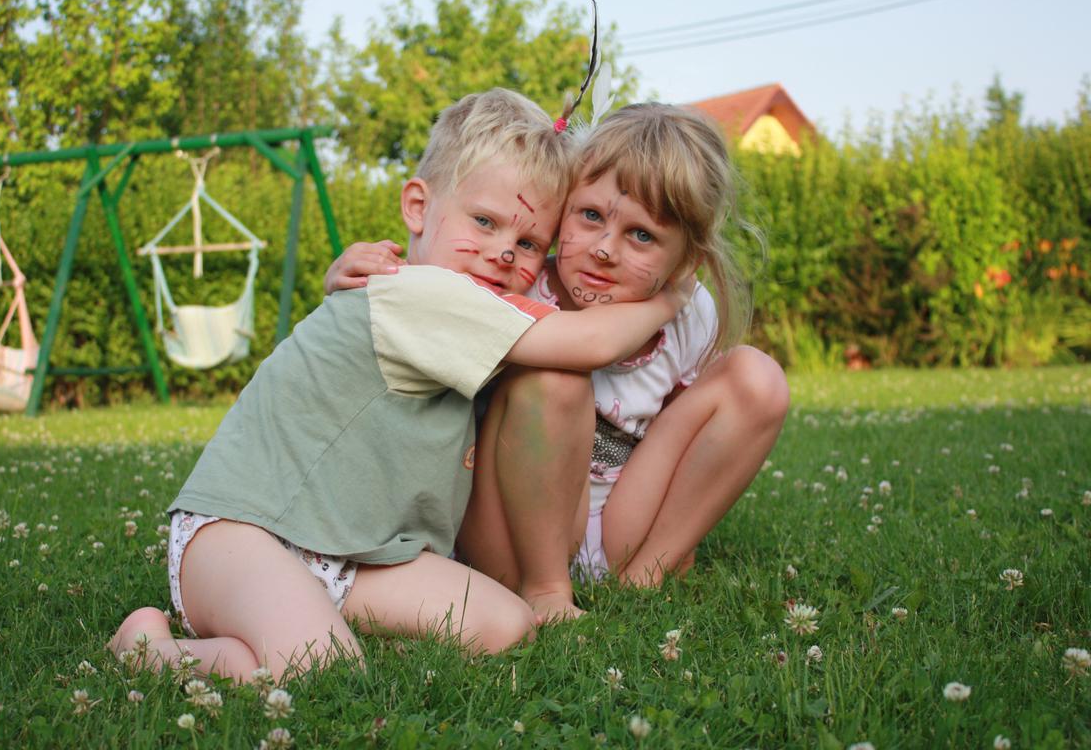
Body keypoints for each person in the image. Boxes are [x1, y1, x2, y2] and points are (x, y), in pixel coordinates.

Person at [108, 89, 690, 682]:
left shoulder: (459, 304)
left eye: (527, 245)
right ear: (418, 205)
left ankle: (290, 637)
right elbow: (588, 344)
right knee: (321, 670)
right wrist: (670, 295)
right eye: (484, 222)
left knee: (504, 624)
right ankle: (152, 653)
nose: (500, 255)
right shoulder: (425, 295)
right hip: (245, 535)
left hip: (355, 557)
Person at [326, 103, 790, 621]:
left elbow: (687, 430)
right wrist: (348, 278)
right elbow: (422, 298)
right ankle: (545, 590)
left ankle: (645, 575)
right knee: (553, 376)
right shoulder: (515, 284)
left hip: (618, 520)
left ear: (685, 262)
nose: (604, 250)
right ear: (563, 206)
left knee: (757, 377)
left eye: (642, 235)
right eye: (590, 216)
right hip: (511, 532)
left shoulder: (690, 313)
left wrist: (672, 523)